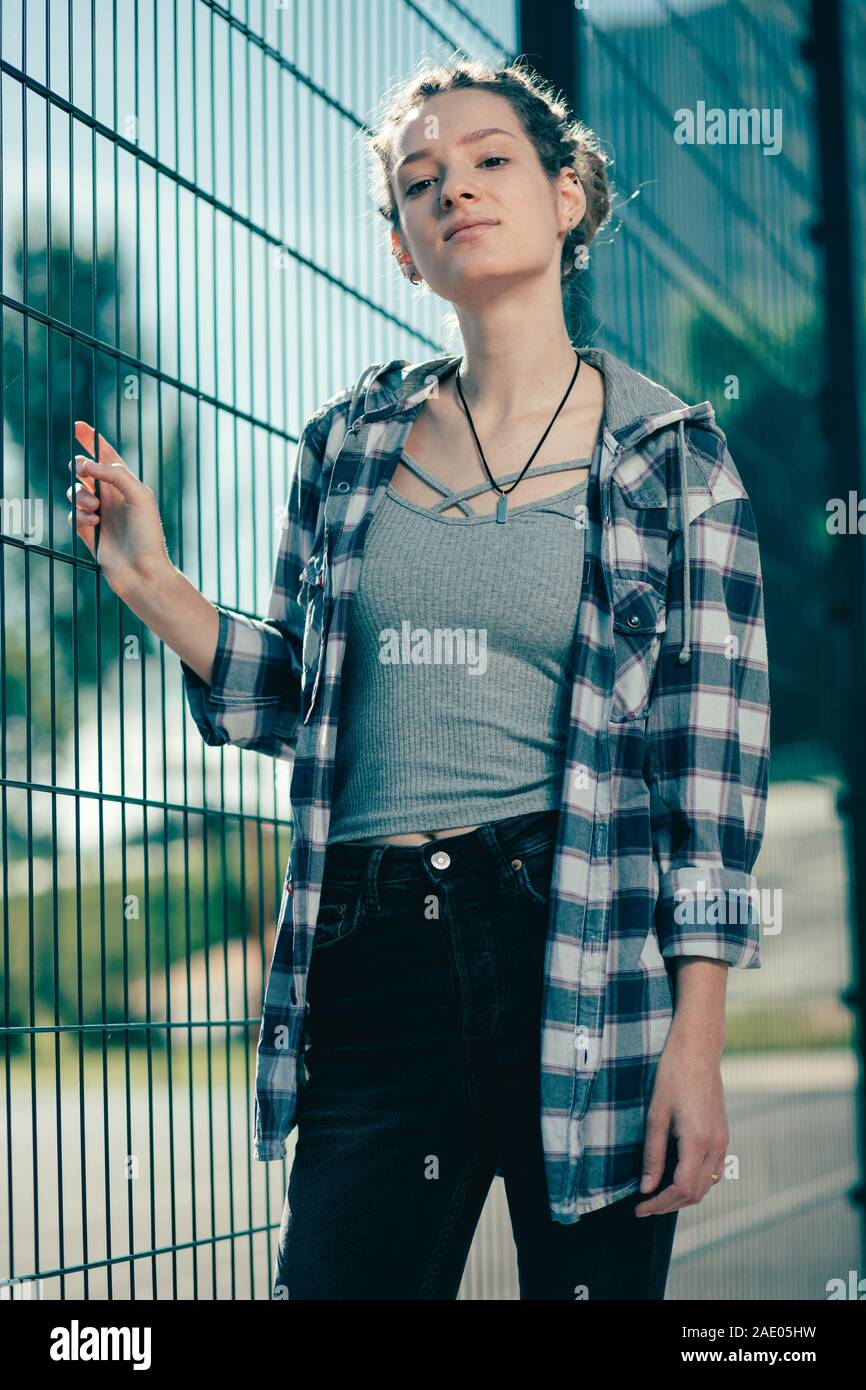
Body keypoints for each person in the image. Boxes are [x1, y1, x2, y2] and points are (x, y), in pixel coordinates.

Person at [68, 58, 770, 1300]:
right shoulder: (344, 447)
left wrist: (695, 1044)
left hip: (580, 943)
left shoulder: (674, 459)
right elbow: (301, 701)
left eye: (490, 160)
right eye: (419, 180)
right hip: (371, 948)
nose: (454, 191)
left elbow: (703, 783)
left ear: (567, 197)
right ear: (399, 244)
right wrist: (154, 585)